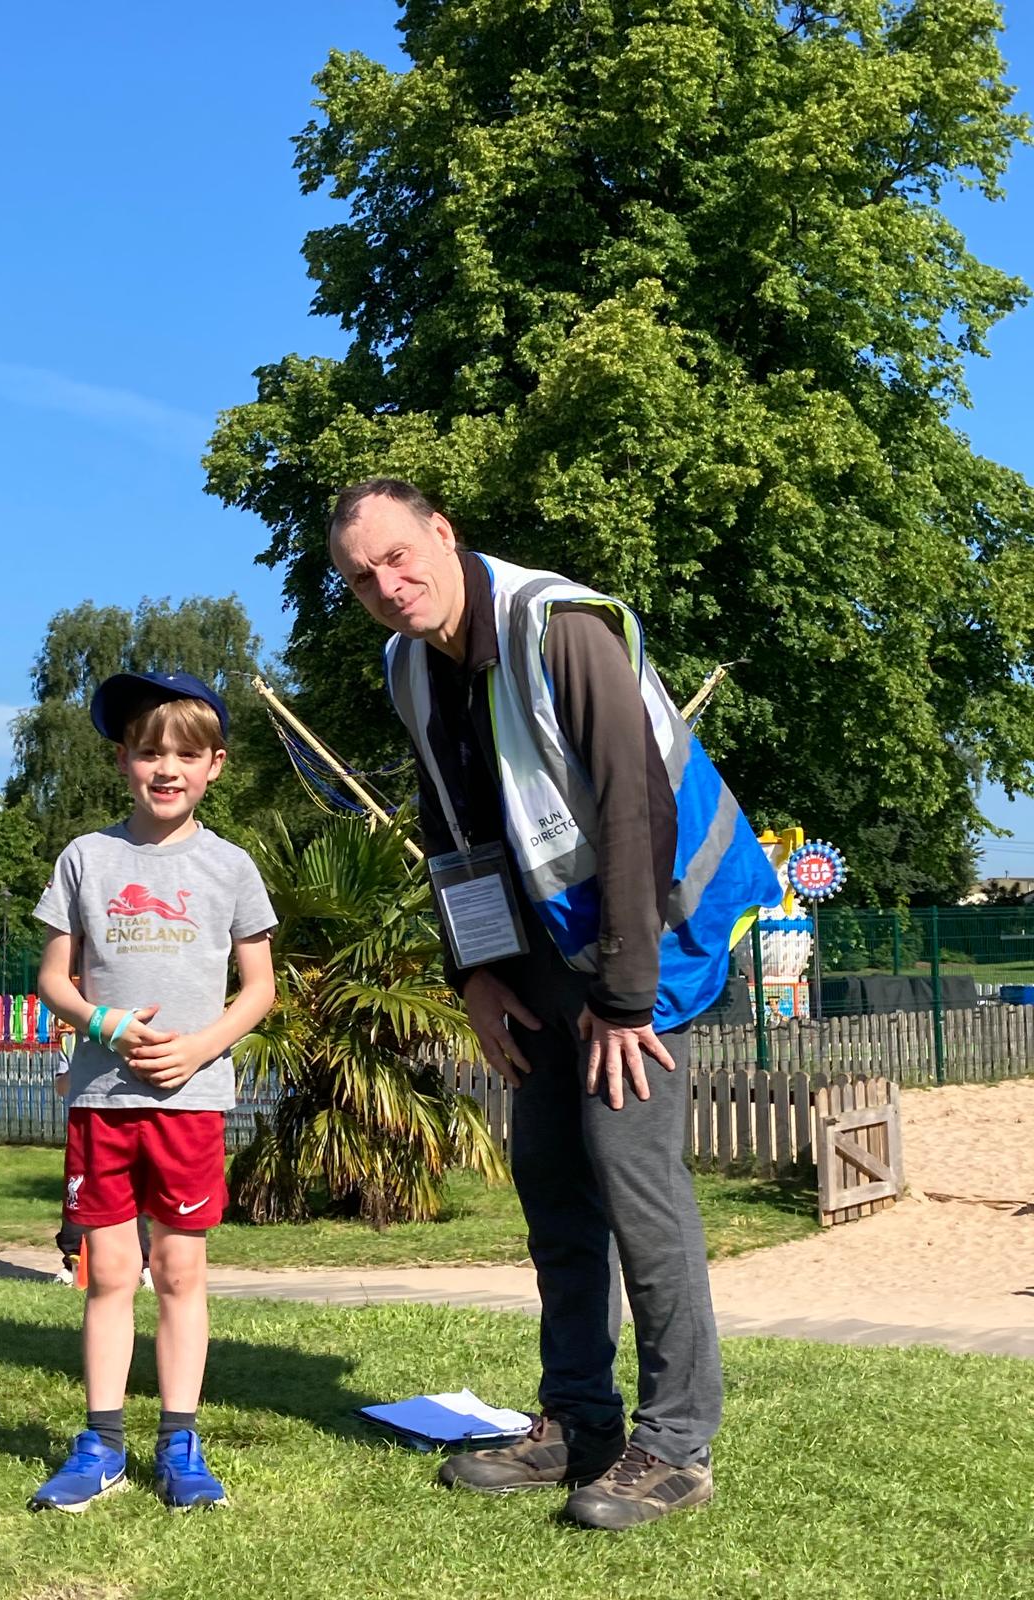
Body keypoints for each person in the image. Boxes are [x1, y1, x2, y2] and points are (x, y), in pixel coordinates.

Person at [329, 479, 779, 1531]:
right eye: (363, 578)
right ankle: (579, 1420)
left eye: (402, 557)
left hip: (651, 930)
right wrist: (473, 973)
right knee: (550, 1178)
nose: (390, 588)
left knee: (633, 1179)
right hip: (538, 948)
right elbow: (450, 824)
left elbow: (636, 807)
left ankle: (676, 1446)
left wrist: (626, 1001)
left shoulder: (559, 626)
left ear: (443, 534)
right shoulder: (411, 663)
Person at [29, 669, 276, 1514]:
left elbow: (259, 989)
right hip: (102, 1103)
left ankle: (180, 1441)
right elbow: (54, 980)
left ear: (215, 765)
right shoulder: (85, 859)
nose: (166, 768)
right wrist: (104, 1025)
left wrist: (200, 1047)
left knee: (178, 1271)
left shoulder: (232, 867)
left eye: (186, 754)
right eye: (148, 752)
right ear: (124, 761)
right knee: (109, 1275)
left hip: (192, 1108)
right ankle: (99, 1442)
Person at [51, 1026, 152, 1289]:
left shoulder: (128, 1035)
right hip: (85, 1121)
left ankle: (144, 1265)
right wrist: (83, 1069)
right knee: (78, 1193)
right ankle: (71, 1263)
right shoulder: (71, 1043)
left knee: (130, 1197)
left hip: (124, 1119)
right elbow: (61, 1087)